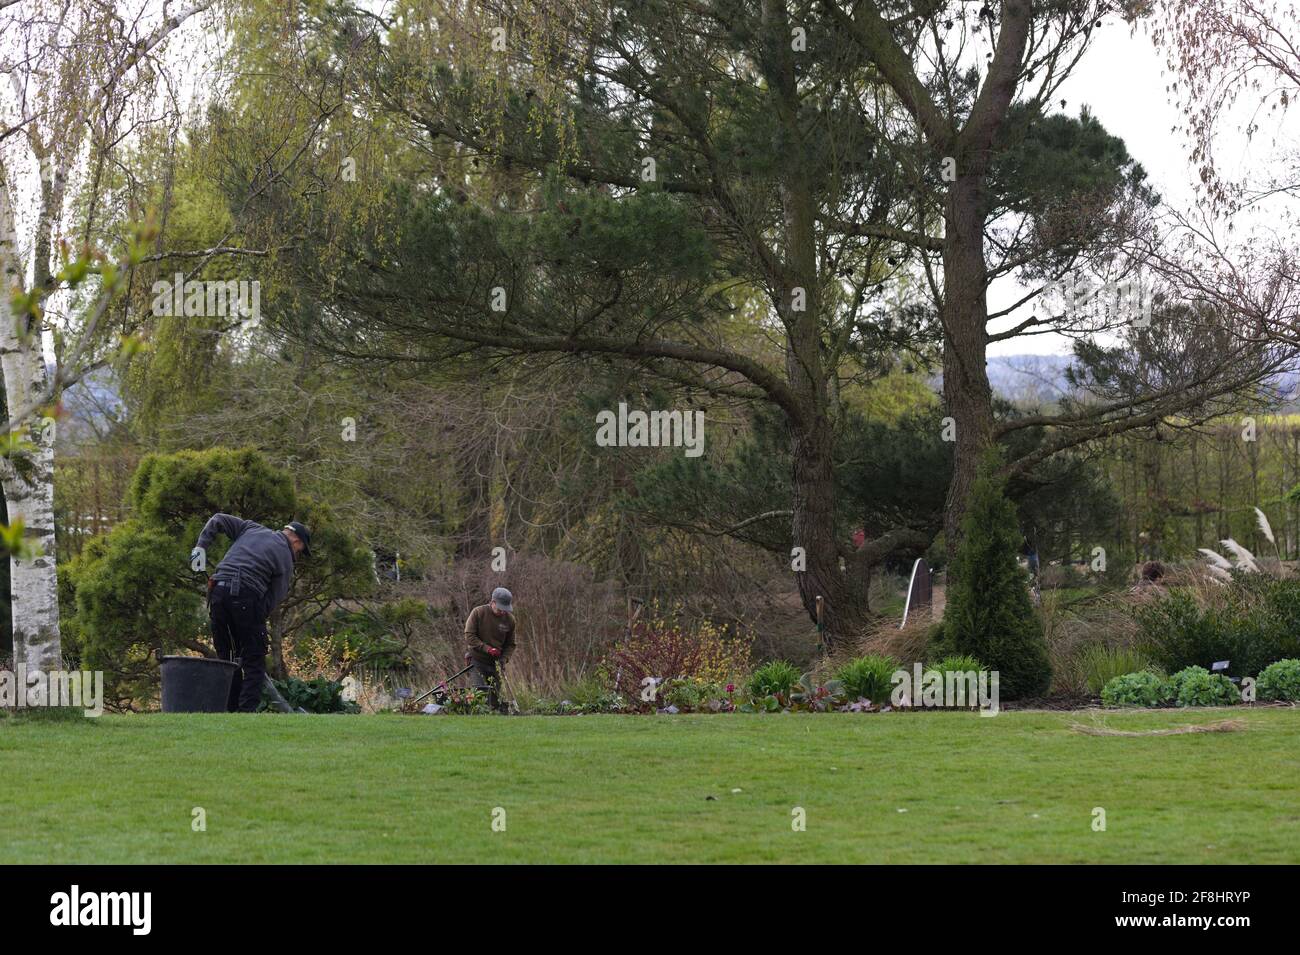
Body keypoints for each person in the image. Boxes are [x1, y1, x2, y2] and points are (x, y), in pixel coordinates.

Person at [193, 514, 311, 712]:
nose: (298, 554)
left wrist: (200, 547)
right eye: (301, 550)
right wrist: (254, 619)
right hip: (245, 596)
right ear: (296, 540)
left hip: (217, 593)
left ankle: (229, 711)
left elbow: (218, 519)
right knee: (254, 658)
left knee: (227, 658)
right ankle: (246, 713)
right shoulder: (286, 558)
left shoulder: (251, 528)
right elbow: (274, 597)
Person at [463, 587, 516, 712]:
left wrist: (504, 659)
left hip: (496, 664)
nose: (503, 612)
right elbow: (469, 635)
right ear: (492, 602)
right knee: (480, 694)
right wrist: (487, 649)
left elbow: (511, 645)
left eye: (505, 609)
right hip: (477, 661)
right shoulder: (478, 613)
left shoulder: (510, 620)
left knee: (495, 699)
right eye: (500, 609)